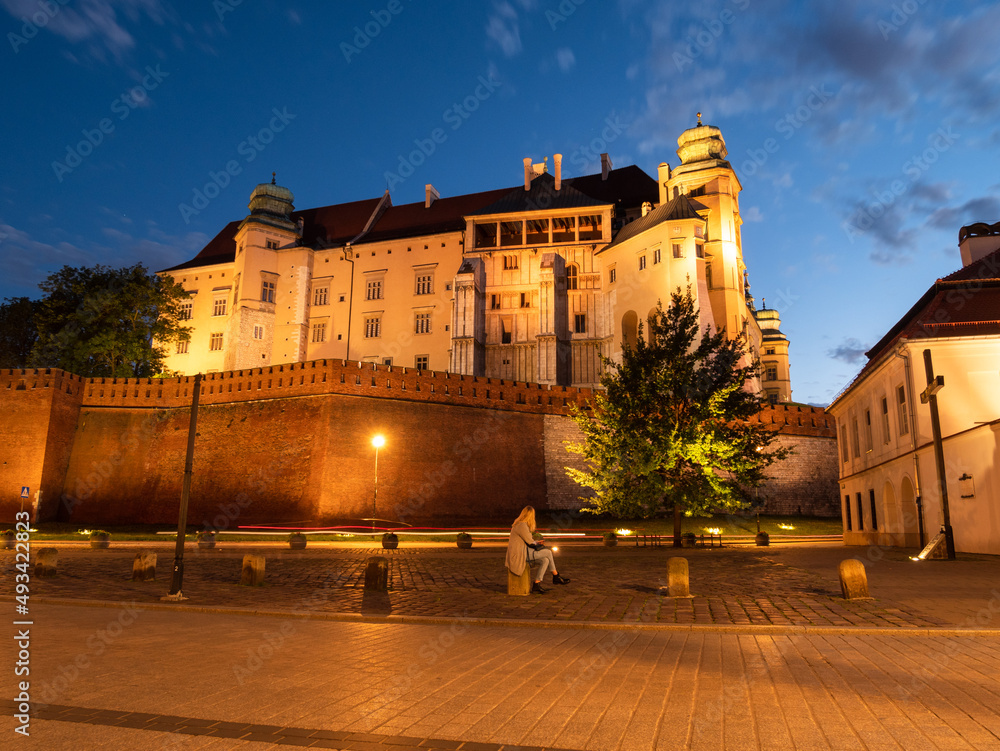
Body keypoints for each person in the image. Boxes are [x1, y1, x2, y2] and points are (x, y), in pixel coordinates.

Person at [505, 505, 570, 593]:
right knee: (548, 552)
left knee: (545, 560)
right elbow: (530, 542)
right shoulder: (522, 525)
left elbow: (529, 541)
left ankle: (537, 584)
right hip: (519, 555)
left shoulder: (519, 524)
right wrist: (536, 542)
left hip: (524, 551)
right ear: (530, 515)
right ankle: (556, 576)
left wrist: (537, 542)